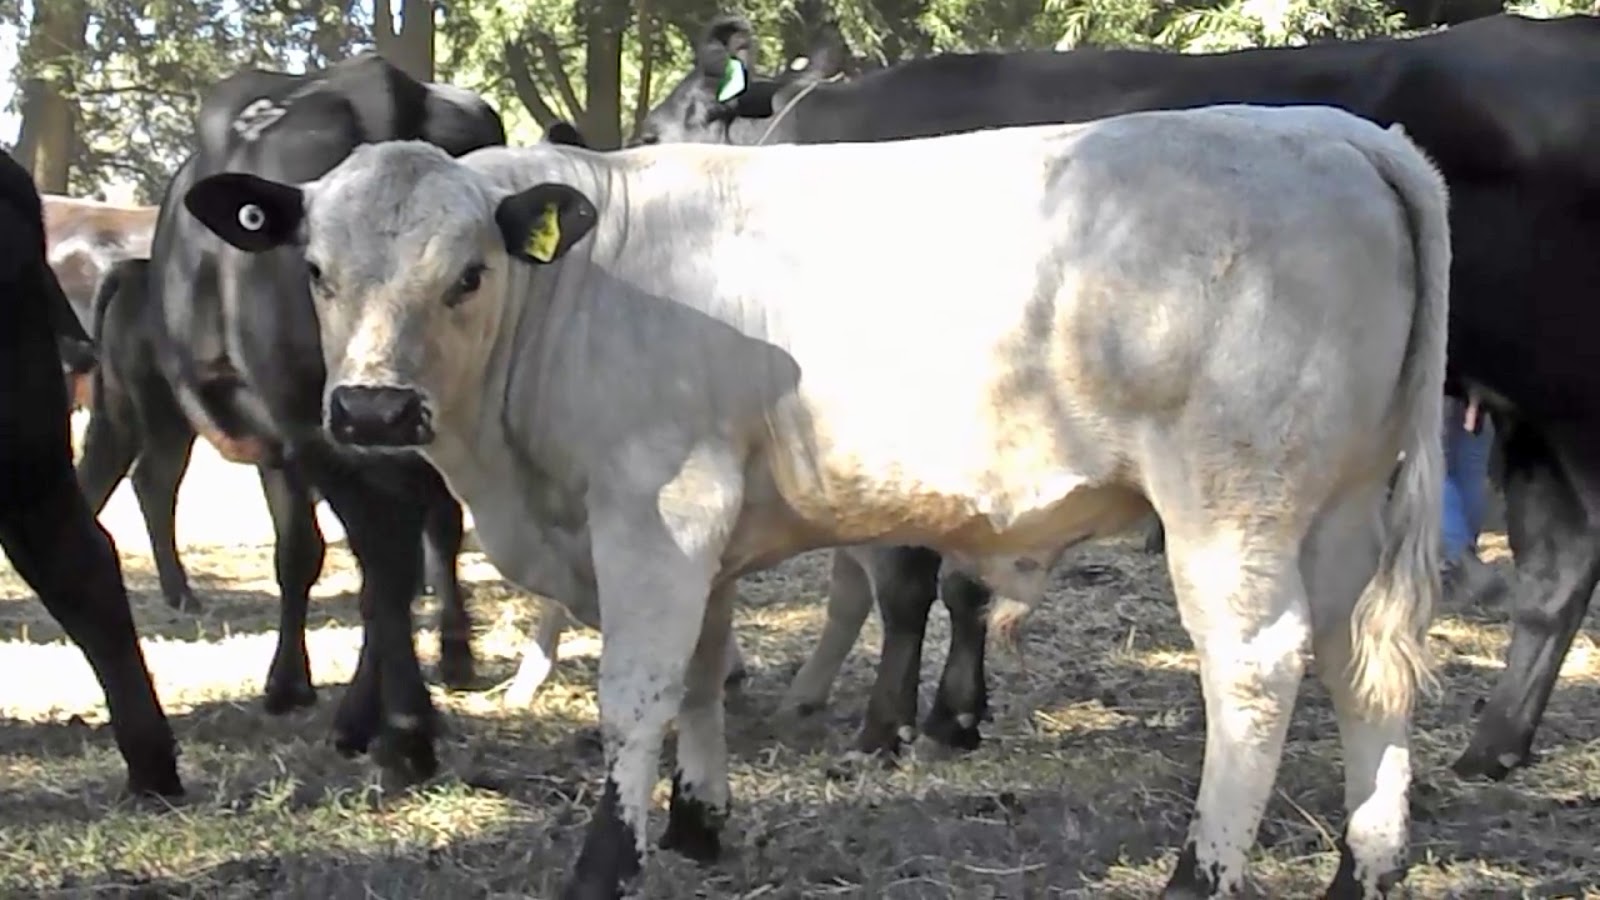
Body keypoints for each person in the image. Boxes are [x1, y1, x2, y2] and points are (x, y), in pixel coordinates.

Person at [1440, 392, 1504, 608]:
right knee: (1471, 469)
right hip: (1485, 384)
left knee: (1434, 469)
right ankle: (1463, 563)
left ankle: (1461, 560)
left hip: (1444, 384)